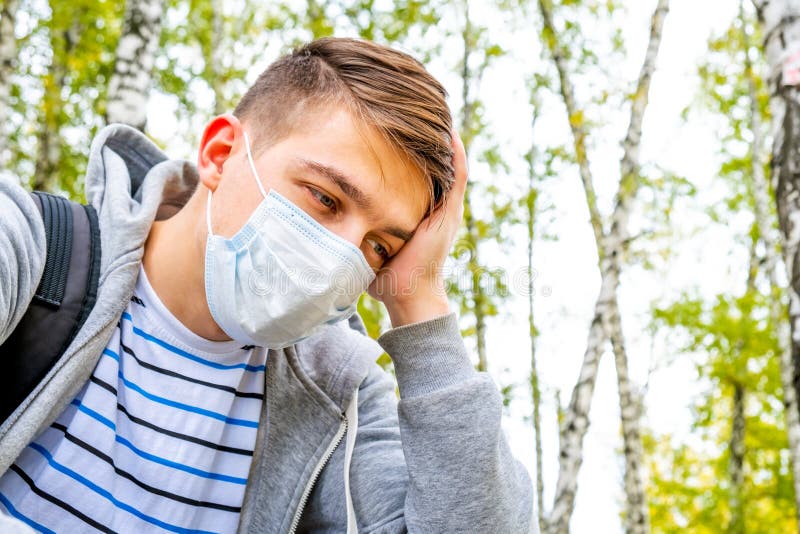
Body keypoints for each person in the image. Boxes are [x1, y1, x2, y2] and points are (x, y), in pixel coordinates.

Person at [0, 37, 533, 533]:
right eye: (325, 198)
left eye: (379, 246)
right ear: (220, 153)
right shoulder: (31, 247)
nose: (342, 256)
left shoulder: (338, 397)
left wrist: (421, 300)